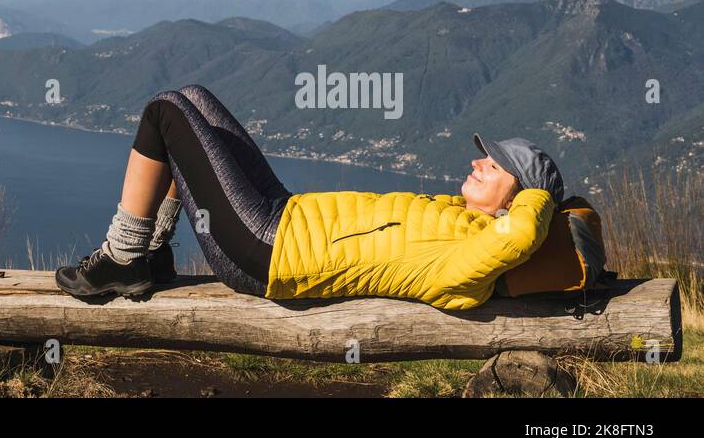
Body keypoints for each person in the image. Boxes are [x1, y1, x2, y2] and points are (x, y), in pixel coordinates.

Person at [55, 84, 564, 311]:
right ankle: (149, 257)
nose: (477, 162)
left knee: (164, 111)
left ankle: (123, 255)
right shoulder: (456, 217)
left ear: (516, 198)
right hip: (281, 212)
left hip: (267, 253)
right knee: (193, 98)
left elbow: (520, 232)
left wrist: (538, 197)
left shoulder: (472, 260)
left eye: (493, 166)